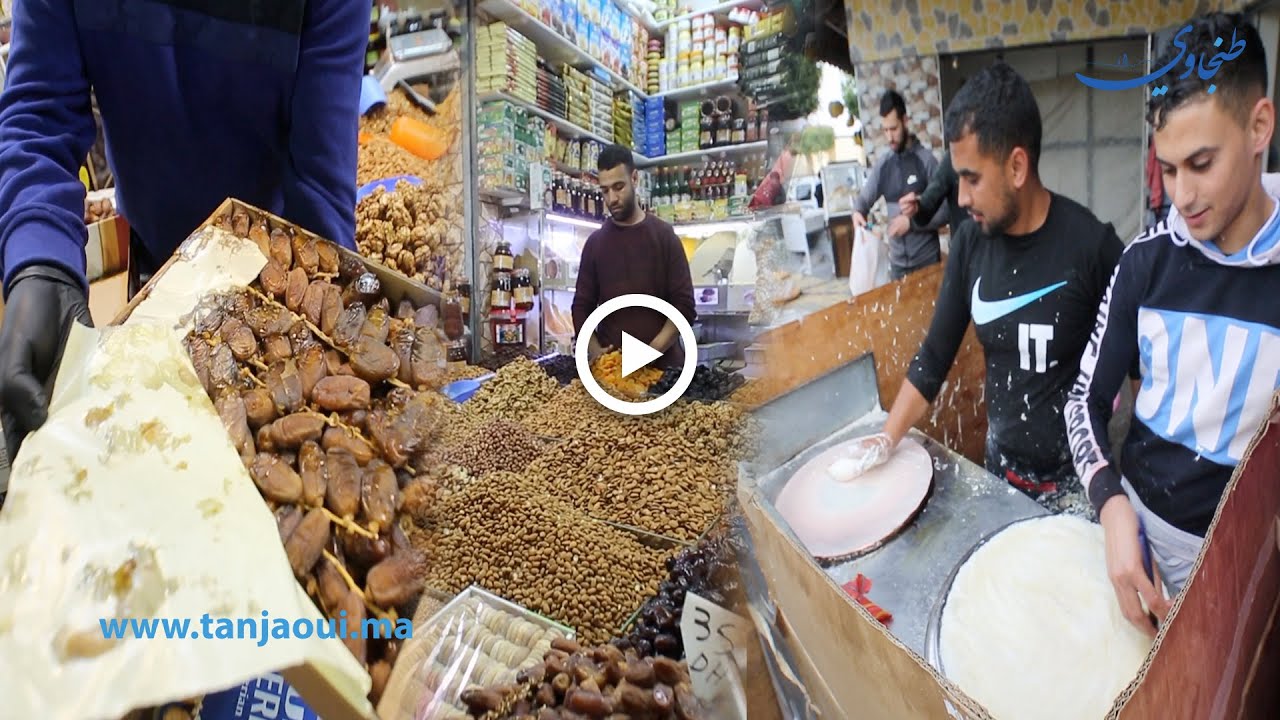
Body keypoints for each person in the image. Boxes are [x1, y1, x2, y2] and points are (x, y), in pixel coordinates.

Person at [0, 0, 367, 466]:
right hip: (150, 267)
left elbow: (320, 185)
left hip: (271, 280)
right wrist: (40, 260)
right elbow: (39, 115)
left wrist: (320, 328)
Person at [1065, 13, 1279, 636]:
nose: (1181, 197)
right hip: (1139, 538)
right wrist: (1110, 507)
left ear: (1259, 126)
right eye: (1168, 168)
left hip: (1246, 565)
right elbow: (1083, 401)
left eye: (1201, 163)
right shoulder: (1146, 263)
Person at [845, 63, 1124, 514]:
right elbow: (933, 357)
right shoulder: (970, 244)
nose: (960, 198)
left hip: (1078, 487)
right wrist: (886, 439)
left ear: (1017, 166)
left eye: (972, 178)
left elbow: (1139, 364)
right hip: (999, 478)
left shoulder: (1093, 248)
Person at [572, 144, 696, 369]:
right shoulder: (595, 244)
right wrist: (596, 351)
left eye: (619, 187)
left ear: (635, 179)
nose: (612, 198)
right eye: (605, 190)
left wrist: (649, 353)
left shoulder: (664, 236)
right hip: (615, 375)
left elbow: (684, 306)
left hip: (666, 371)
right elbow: (581, 307)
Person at [852, 90, 947, 280]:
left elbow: (946, 211)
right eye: (885, 130)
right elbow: (863, 201)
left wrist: (911, 223)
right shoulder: (884, 165)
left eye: (893, 129)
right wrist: (857, 213)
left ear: (905, 121)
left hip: (927, 263)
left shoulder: (926, 161)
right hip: (897, 267)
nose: (889, 137)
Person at [898, 150, 970, 238]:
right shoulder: (952, 159)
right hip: (964, 241)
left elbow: (943, 213)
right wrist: (916, 208)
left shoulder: (928, 160)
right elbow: (928, 204)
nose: (963, 200)